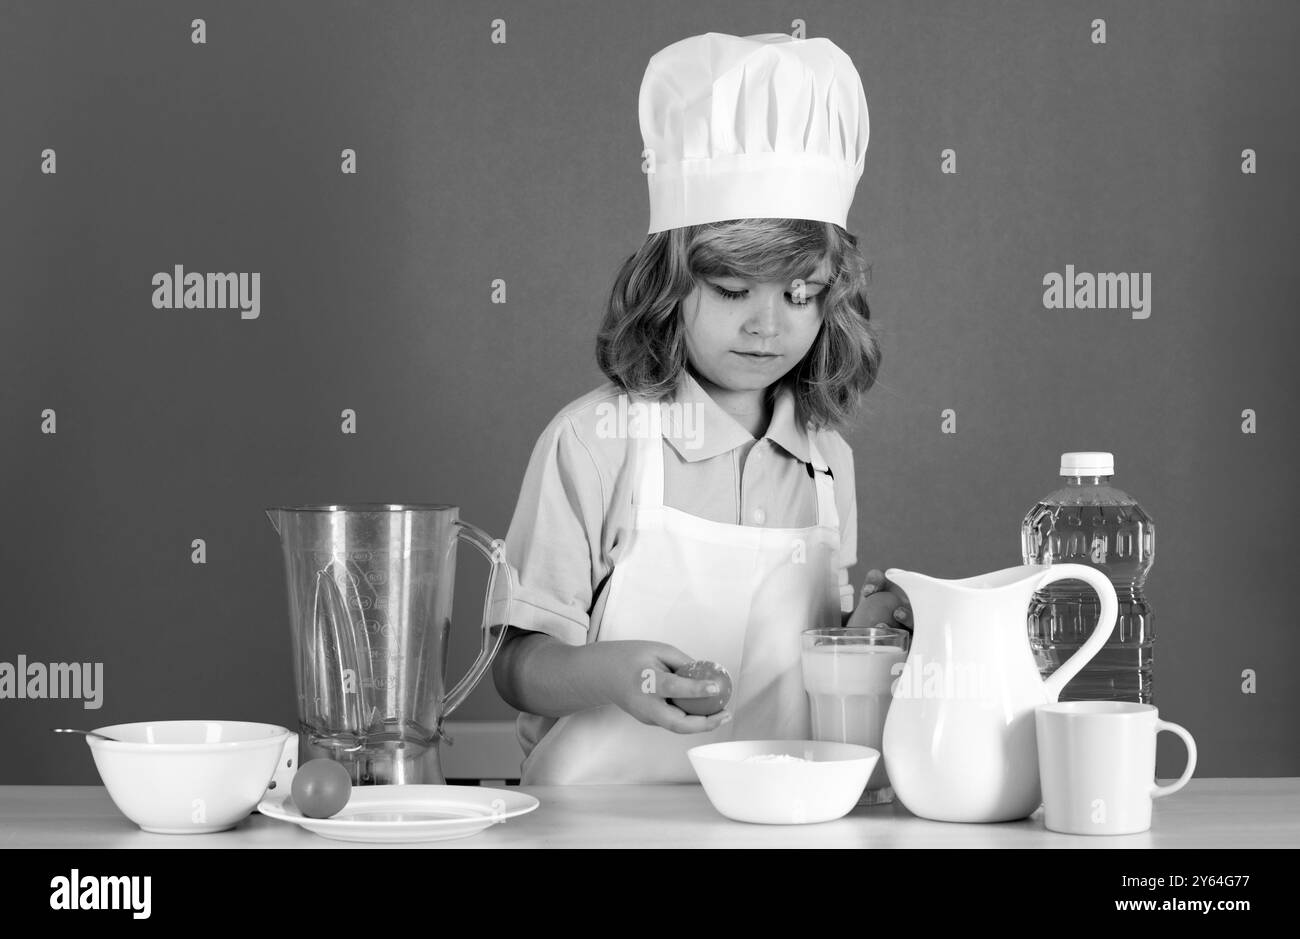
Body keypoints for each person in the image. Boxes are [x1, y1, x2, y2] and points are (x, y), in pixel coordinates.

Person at [492, 32, 910, 785]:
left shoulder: (826, 461)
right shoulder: (596, 443)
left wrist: (867, 633)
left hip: (776, 822)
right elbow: (517, 666)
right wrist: (617, 675)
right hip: (594, 826)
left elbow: (803, 663)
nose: (767, 323)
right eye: (731, 291)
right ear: (669, 282)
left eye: (801, 293)